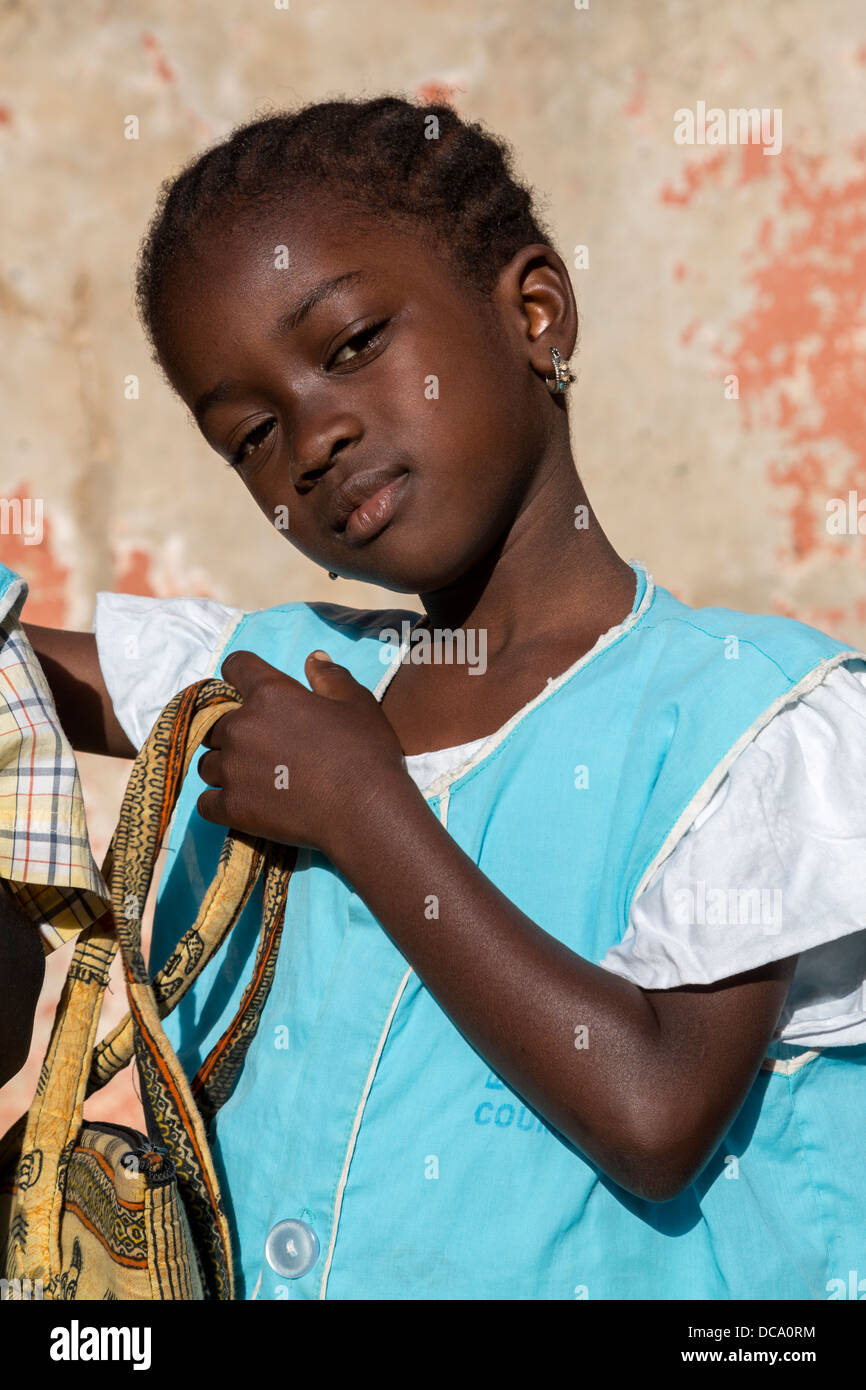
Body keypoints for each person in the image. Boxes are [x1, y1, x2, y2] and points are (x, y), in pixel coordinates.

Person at [17, 96, 866, 1300]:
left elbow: (656, 1112)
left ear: (532, 311)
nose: (310, 438)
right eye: (251, 433)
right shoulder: (272, 676)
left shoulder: (744, 723)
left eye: (351, 343)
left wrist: (366, 813)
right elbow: (26, 678)